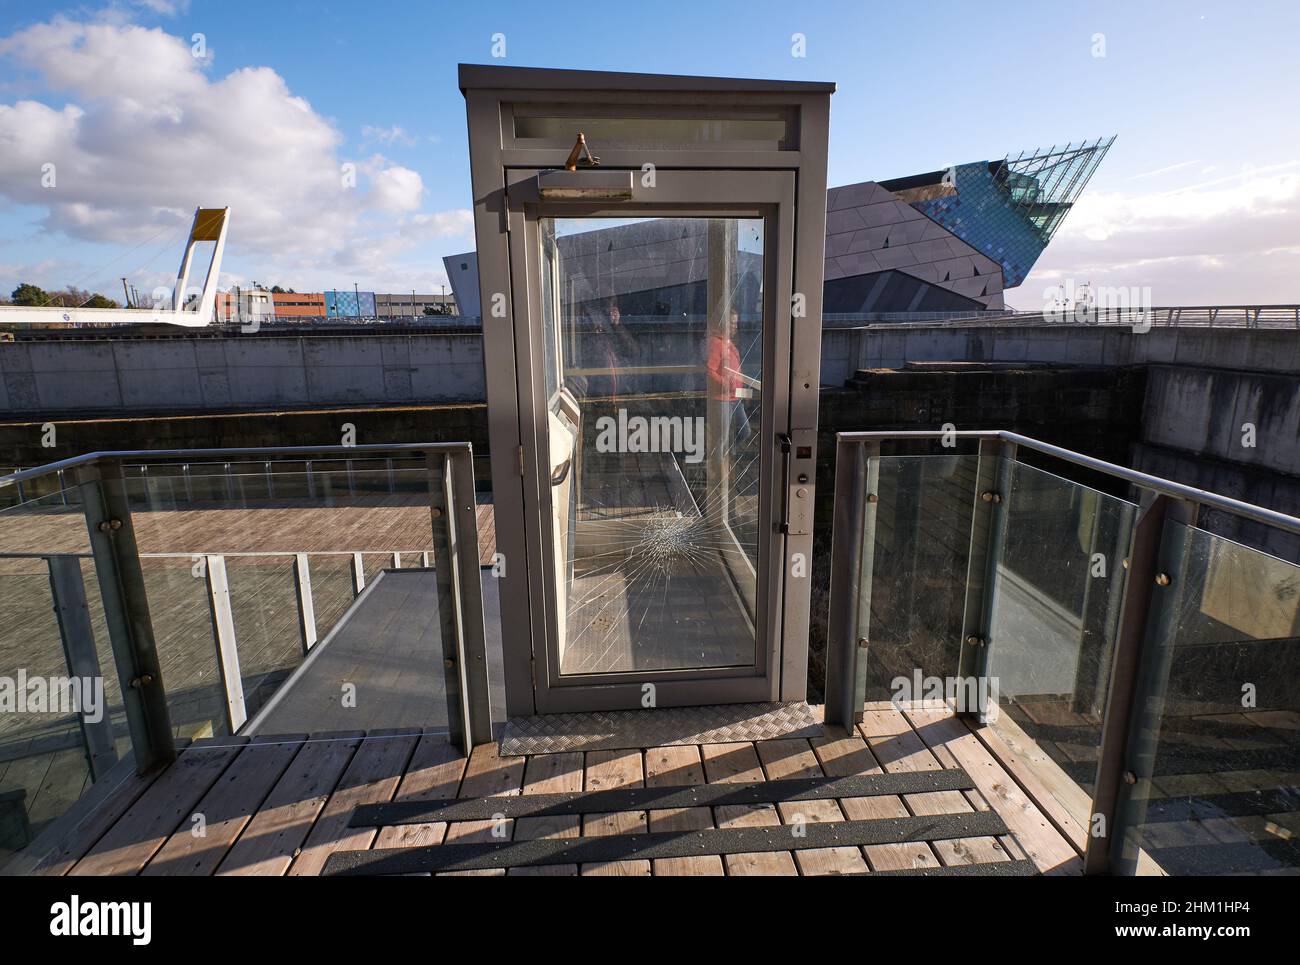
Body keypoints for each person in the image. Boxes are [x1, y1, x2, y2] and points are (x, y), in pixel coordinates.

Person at [706, 308, 751, 444]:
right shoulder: (716, 344)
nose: (735, 327)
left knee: (745, 431)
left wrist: (743, 393)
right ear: (723, 323)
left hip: (735, 398)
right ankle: (719, 463)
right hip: (723, 399)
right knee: (721, 439)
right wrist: (724, 383)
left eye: (736, 323)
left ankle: (728, 456)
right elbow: (709, 371)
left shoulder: (727, 343)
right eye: (732, 323)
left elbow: (735, 372)